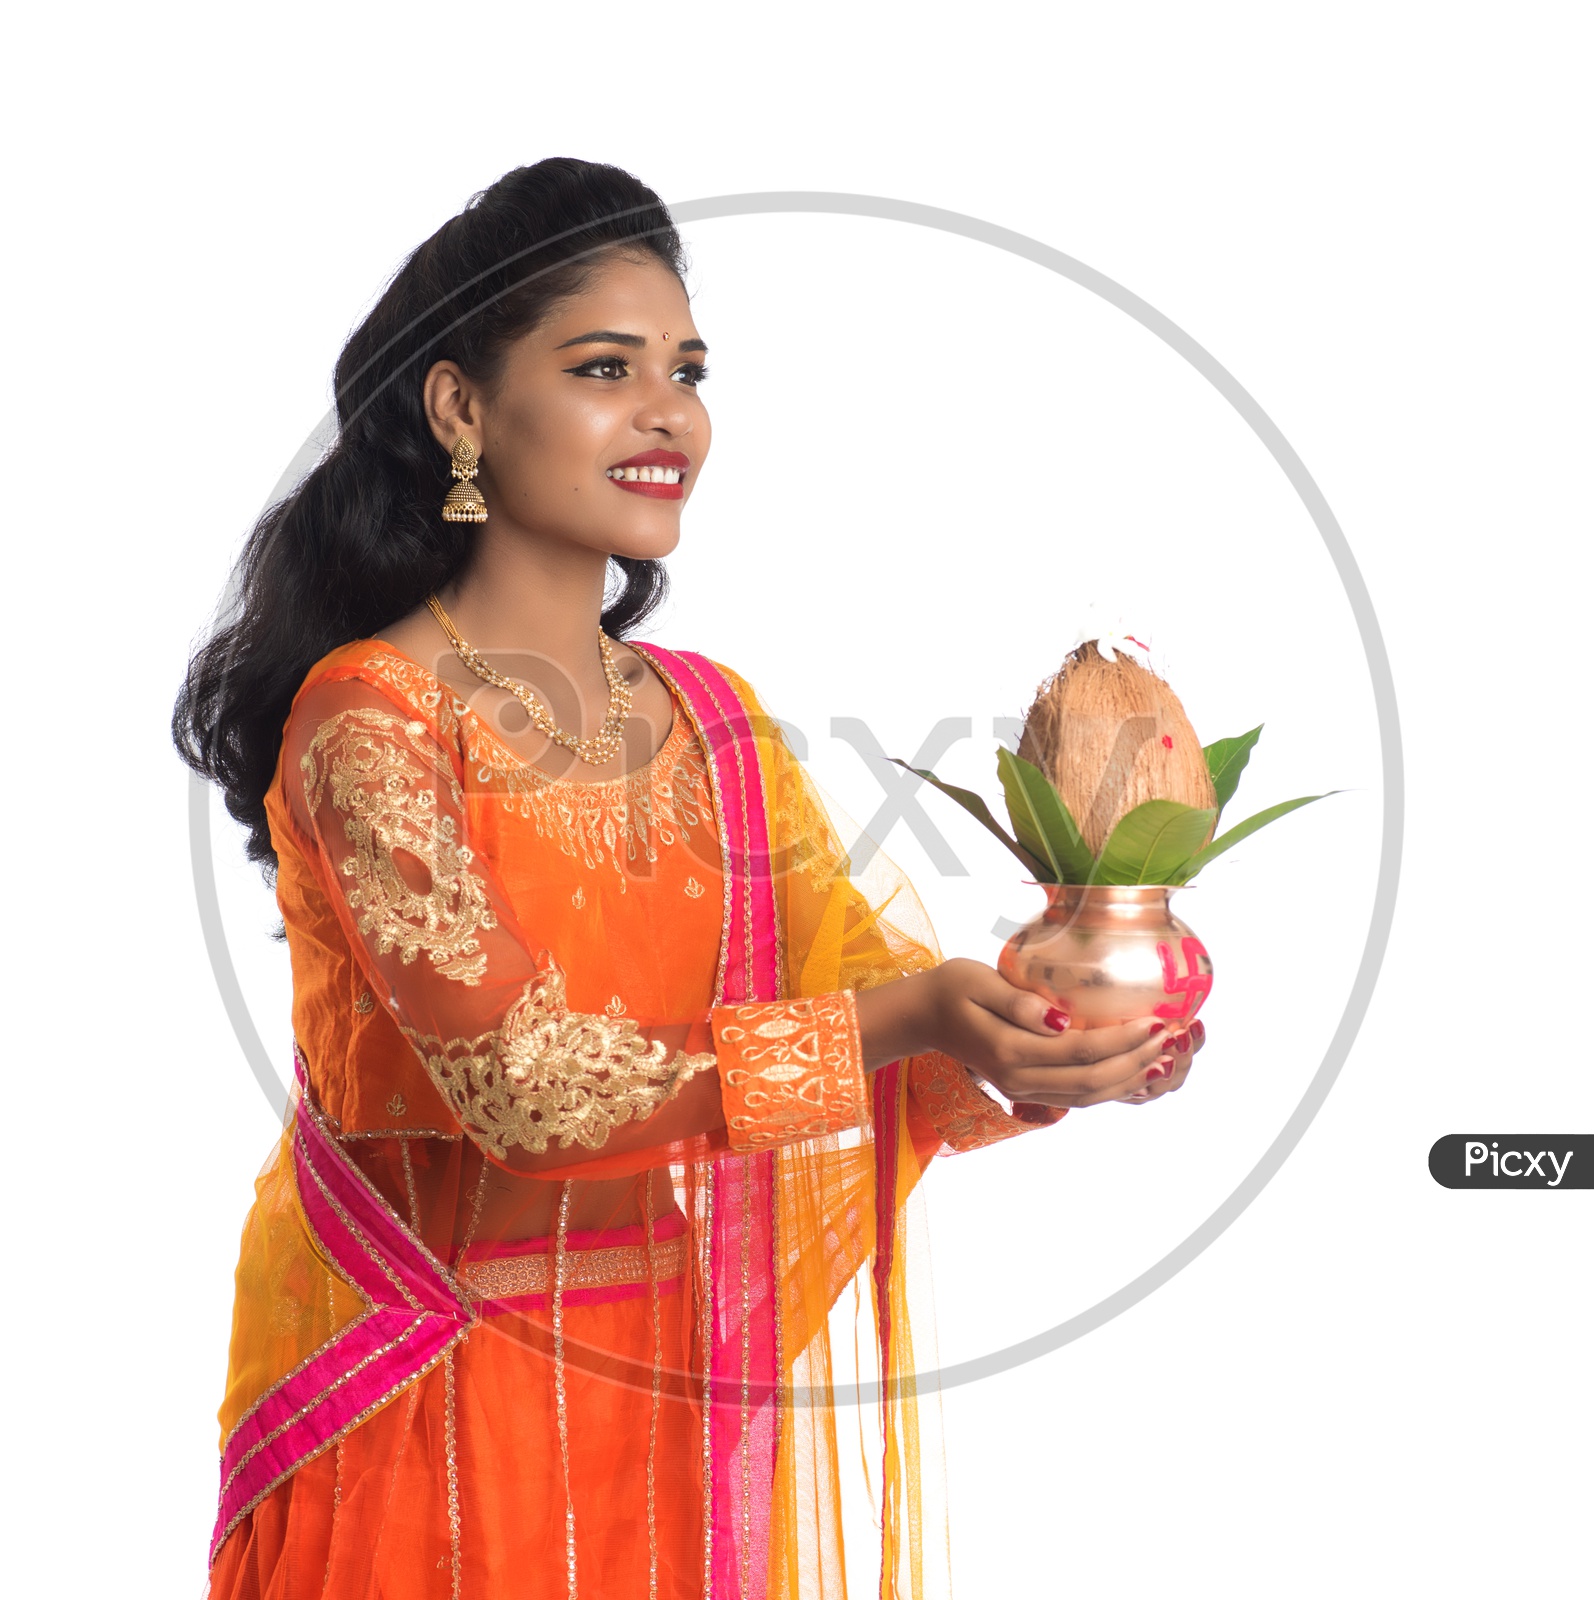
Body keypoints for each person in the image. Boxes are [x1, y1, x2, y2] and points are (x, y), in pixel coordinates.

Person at [173, 157, 1203, 1600]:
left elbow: (864, 1047)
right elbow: (524, 1094)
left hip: (666, 1389)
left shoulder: (716, 720)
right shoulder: (373, 718)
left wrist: (1036, 1047)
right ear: (460, 407)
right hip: (422, 1402)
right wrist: (913, 1023)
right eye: (606, 368)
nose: (668, 415)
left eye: (688, 371)